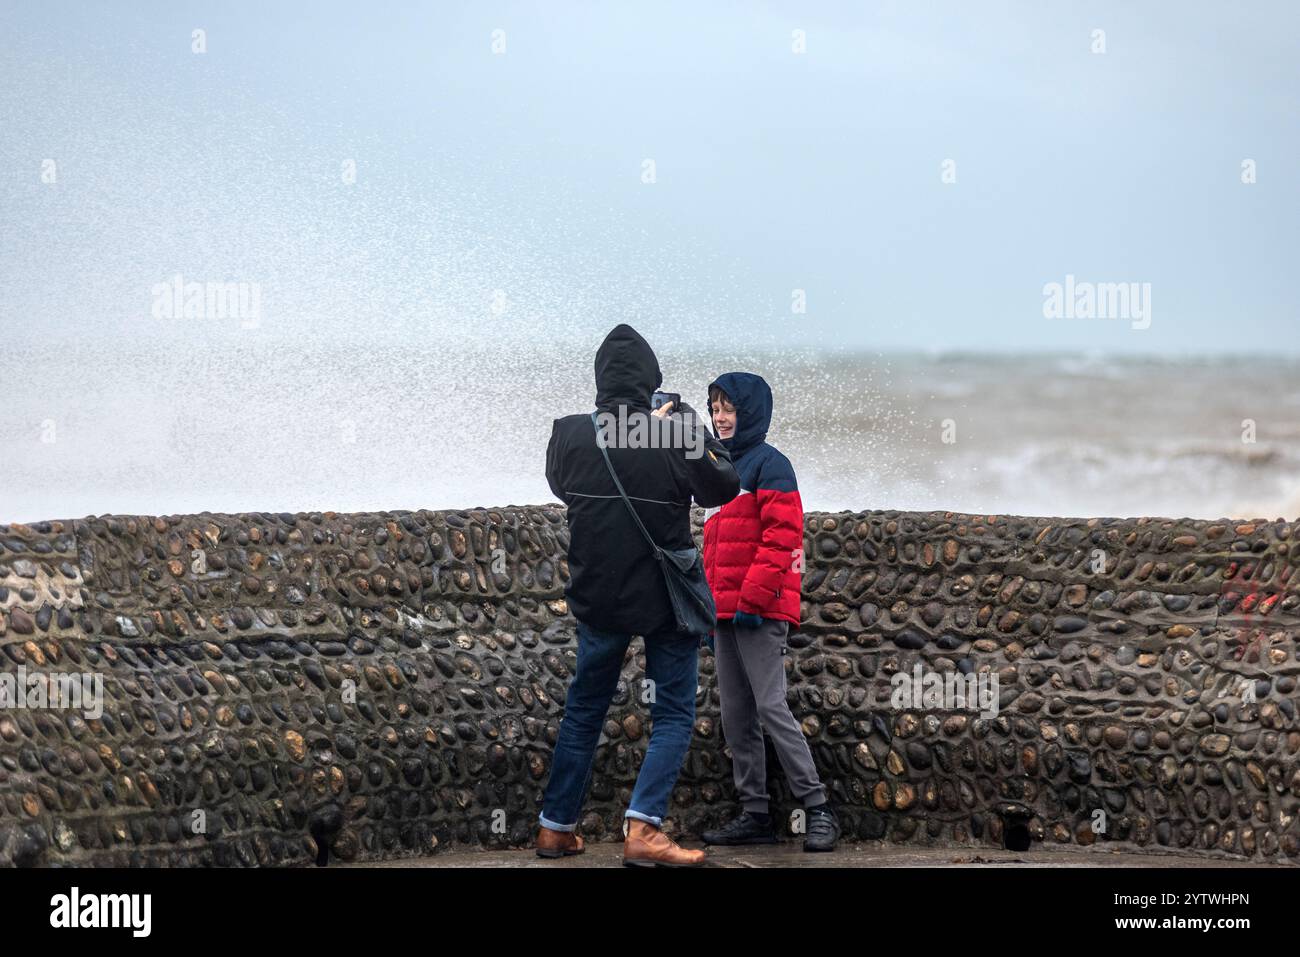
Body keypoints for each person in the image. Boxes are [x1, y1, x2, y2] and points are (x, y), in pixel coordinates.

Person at [536, 324, 739, 867]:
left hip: (598, 595)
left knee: (584, 708)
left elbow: (560, 486)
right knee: (672, 713)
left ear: (602, 381)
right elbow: (724, 486)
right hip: (663, 599)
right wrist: (687, 424)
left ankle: (556, 828)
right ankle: (644, 829)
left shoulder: (570, 433)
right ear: (650, 381)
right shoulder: (672, 433)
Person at [699, 372, 841, 852]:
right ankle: (754, 813)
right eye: (715, 408)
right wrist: (710, 609)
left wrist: (752, 602)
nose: (720, 417)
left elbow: (783, 539)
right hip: (724, 615)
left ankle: (818, 808)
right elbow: (714, 551)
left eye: (729, 408)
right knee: (736, 715)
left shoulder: (771, 465)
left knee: (771, 707)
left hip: (758, 611)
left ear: (750, 411)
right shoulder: (718, 468)